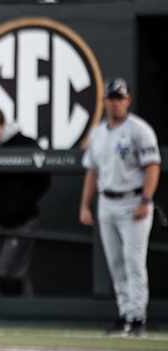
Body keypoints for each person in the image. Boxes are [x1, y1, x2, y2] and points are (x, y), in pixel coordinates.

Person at [80, 78, 161, 337]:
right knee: (115, 262)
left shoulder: (139, 130)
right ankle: (124, 312)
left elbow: (152, 166)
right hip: (107, 201)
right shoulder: (98, 132)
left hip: (133, 200)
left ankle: (138, 318)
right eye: (111, 98)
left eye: (120, 98)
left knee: (133, 261)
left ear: (128, 100)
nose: (115, 103)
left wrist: (146, 200)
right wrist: (85, 204)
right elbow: (92, 171)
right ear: (105, 101)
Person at [0, 105, 51, 296]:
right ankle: (23, 315)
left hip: (23, 220)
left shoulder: (26, 144)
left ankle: (21, 312)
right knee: (16, 272)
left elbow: (43, 179)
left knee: (7, 270)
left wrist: (20, 204)